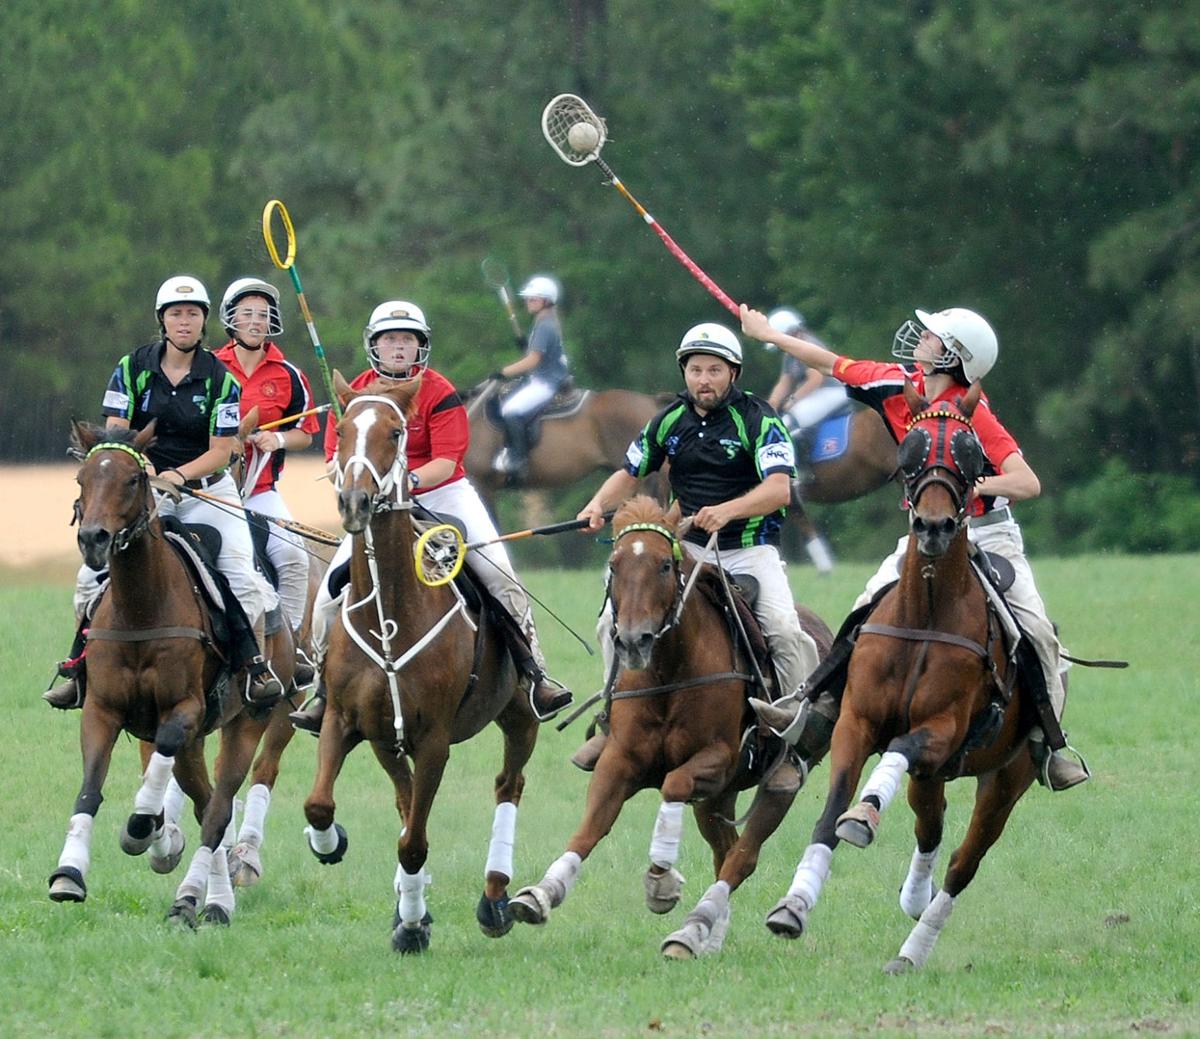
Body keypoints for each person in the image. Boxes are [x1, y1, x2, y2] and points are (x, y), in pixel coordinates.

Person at [740, 302, 1089, 792]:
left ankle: (1050, 745)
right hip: (926, 535)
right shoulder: (890, 382)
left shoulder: (977, 413)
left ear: (954, 358)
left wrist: (967, 485)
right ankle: (814, 707)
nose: (919, 339)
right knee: (863, 612)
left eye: (931, 337)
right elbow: (829, 362)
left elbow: (1026, 483)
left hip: (988, 533)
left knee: (1037, 632)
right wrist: (769, 336)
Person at [288, 299, 573, 733]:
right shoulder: (355, 396)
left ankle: (535, 674)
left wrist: (404, 483)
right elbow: (335, 457)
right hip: (377, 501)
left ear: (421, 347)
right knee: (329, 594)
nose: (399, 348)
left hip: (443, 495)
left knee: (500, 577)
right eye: (390, 340)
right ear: (374, 346)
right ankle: (324, 690)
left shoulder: (438, 392)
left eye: (407, 340)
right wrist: (351, 480)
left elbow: (445, 461)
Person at [571, 322, 823, 771]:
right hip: (684, 548)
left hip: (749, 549)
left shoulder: (758, 419)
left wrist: (728, 510)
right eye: (695, 370)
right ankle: (613, 717)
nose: (703, 380)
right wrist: (596, 504)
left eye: (713, 370)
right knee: (613, 619)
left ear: (733, 373)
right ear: (684, 374)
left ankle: (790, 730)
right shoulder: (669, 420)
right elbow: (629, 471)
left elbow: (780, 489)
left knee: (784, 629)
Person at [44, 276, 282, 709]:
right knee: (87, 580)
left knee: (244, 581)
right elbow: (114, 434)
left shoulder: (220, 379)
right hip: (138, 489)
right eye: (176, 313)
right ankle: (79, 668)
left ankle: (251, 672)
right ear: (162, 320)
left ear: (205, 321)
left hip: (207, 492)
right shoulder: (131, 367)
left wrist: (177, 476)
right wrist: (144, 467)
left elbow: (222, 450)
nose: (184, 321)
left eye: (193, 314)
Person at [213, 277, 321, 648]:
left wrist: (276, 439)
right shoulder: (208, 367)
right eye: (248, 313)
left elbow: (306, 433)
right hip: (208, 490)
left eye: (263, 314)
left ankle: (287, 646)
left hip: (260, 492)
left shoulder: (288, 375)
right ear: (231, 319)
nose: (257, 321)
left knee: (293, 557)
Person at [491, 274, 570, 478]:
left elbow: (533, 361)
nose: (528, 301)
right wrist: (527, 347)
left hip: (546, 382)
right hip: (547, 377)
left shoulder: (544, 325)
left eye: (533, 299)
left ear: (546, 301)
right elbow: (538, 354)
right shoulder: (547, 321)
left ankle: (518, 460)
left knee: (510, 410)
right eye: (528, 298)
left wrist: (503, 372)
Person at [763, 308, 848, 485]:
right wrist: (769, 405)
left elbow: (816, 378)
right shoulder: (790, 351)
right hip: (818, 393)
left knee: (790, 423)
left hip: (832, 392)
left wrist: (793, 400)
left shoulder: (808, 345)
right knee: (779, 420)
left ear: (790, 332)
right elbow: (785, 382)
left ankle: (802, 472)